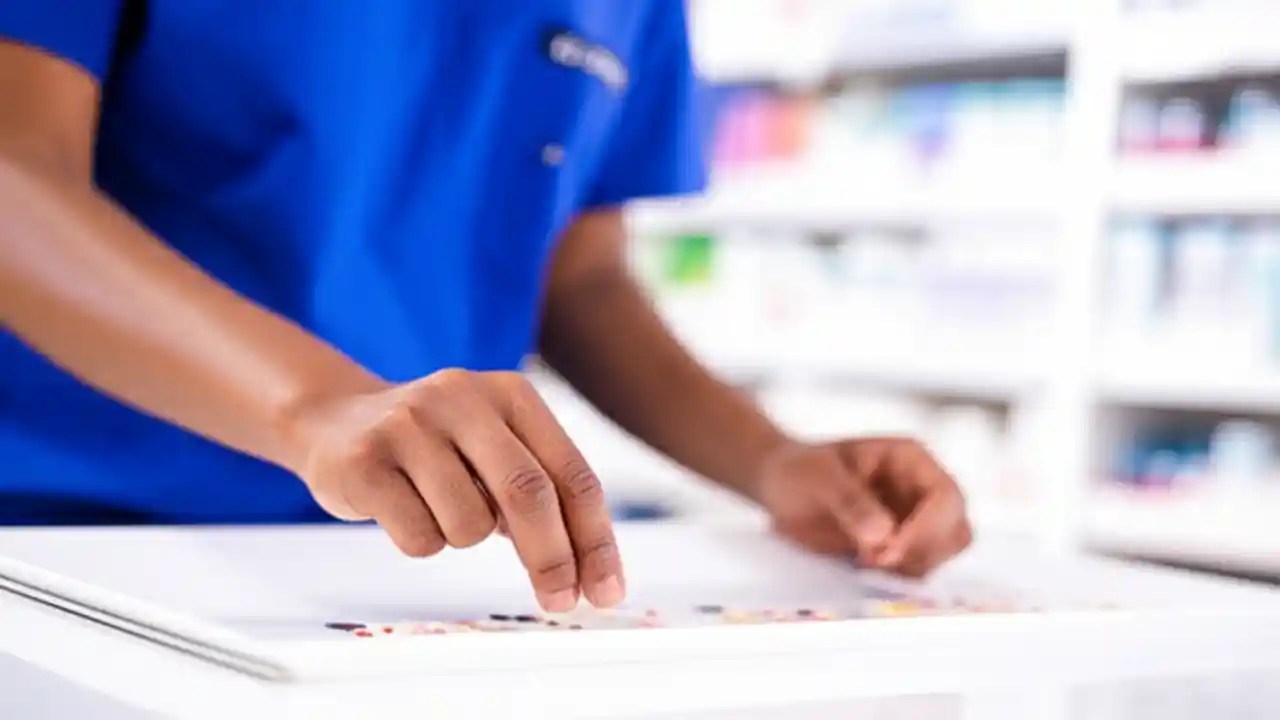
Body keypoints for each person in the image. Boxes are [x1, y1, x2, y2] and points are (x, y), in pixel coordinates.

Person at [0, 2, 972, 612]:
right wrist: (319, 407)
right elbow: (14, 172)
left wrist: (768, 461)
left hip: (395, 572)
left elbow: (578, 279)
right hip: (68, 550)